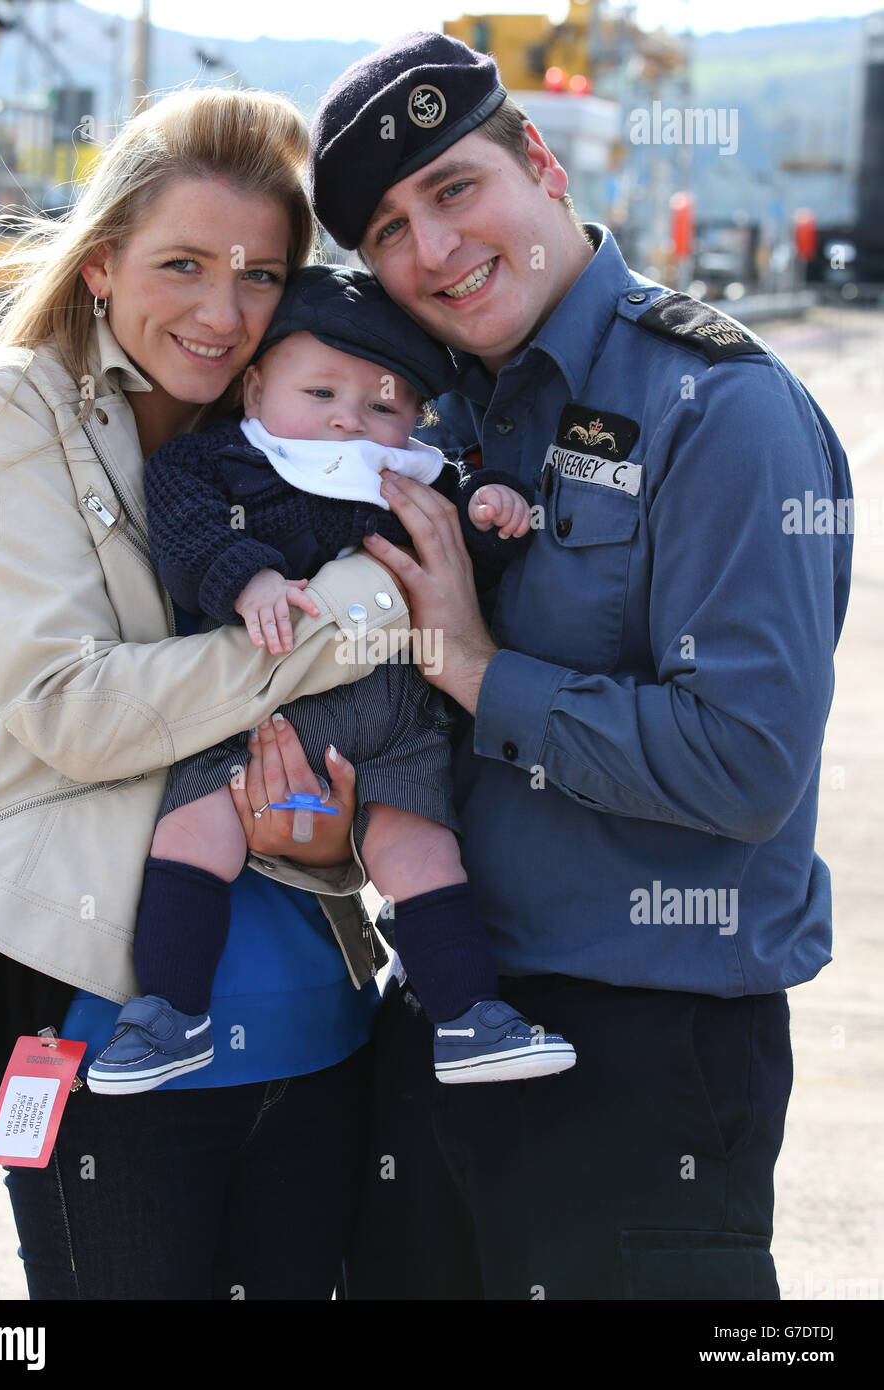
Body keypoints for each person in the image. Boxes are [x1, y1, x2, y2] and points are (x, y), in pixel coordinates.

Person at [307, 32, 855, 1299]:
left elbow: (748, 763)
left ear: (539, 164)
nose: (433, 250)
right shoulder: (432, 422)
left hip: (638, 1063)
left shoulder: (720, 408)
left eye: (454, 190)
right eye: (389, 229)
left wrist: (475, 668)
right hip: (437, 1023)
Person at [0, 87, 416, 1300]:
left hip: (322, 1016)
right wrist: (356, 618)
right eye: (181, 263)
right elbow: (68, 710)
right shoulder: (19, 407)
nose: (221, 312)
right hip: (102, 1032)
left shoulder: (322, 415)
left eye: (260, 275)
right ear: (100, 264)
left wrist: (345, 821)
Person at [85, 263, 575, 1094]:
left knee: (420, 849)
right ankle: (169, 1010)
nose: (350, 418)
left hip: (389, 713)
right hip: (252, 707)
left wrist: (496, 513)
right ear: (253, 391)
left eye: (383, 404)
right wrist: (245, 578)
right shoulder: (217, 464)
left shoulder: (409, 476)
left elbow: (460, 536)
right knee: (192, 829)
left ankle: (467, 1017)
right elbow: (181, 525)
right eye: (320, 393)